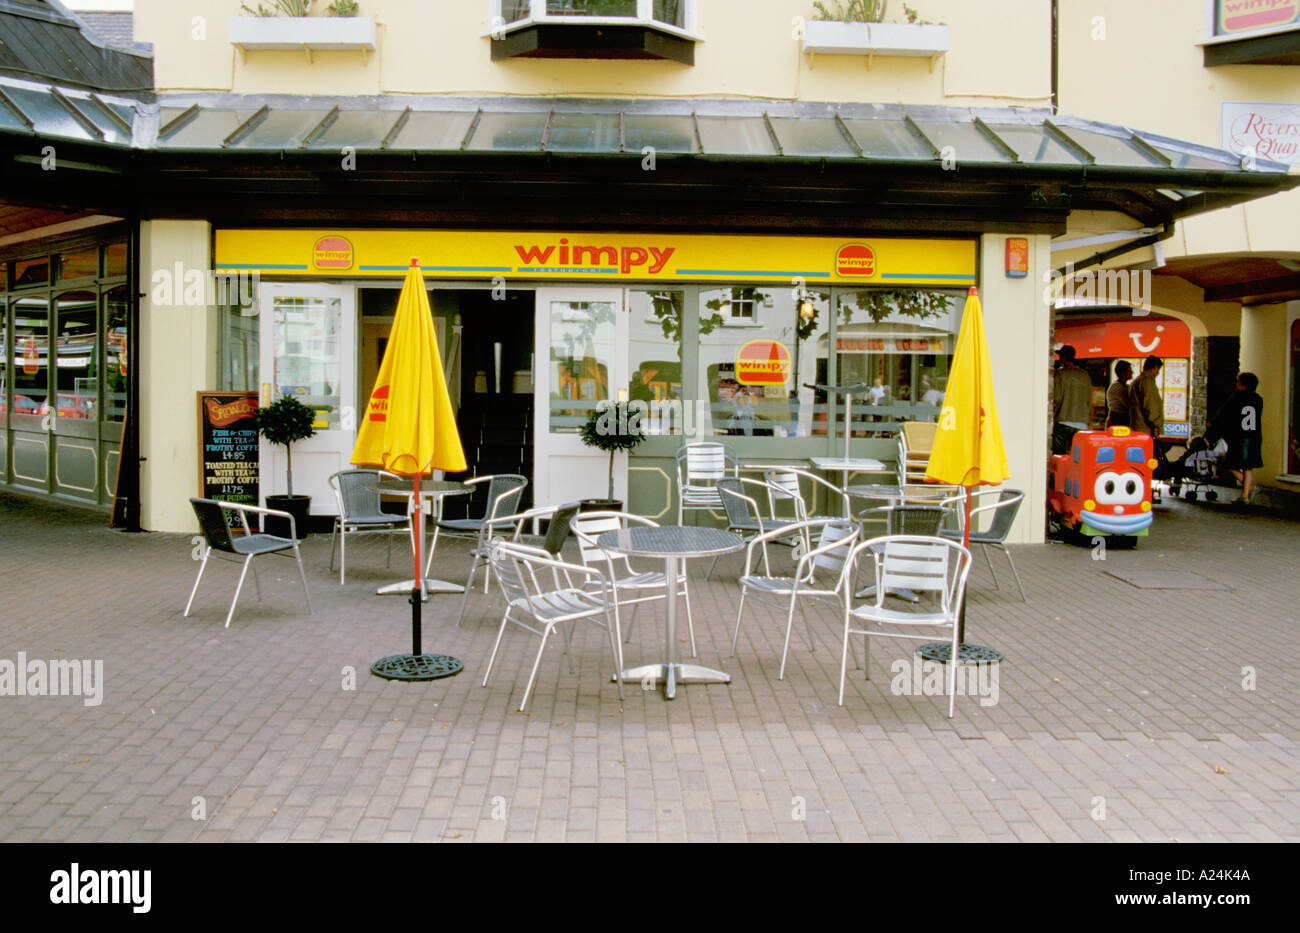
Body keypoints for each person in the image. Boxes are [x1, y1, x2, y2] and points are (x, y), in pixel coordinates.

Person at [1209, 371, 1263, 506]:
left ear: (1244, 385)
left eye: (1238, 382)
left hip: (1240, 436)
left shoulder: (1237, 397)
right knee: (1248, 467)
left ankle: (1250, 488)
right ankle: (1244, 496)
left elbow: (1225, 413)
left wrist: (1213, 423)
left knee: (1229, 465)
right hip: (1254, 436)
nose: (1236, 385)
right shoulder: (1258, 399)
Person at [1052, 344, 1093, 454]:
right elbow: (1089, 400)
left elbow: (1056, 398)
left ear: (1064, 358)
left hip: (1063, 420)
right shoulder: (1085, 375)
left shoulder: (1059, 374)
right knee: (1078, 458)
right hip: (1082, 423)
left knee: (1059, 457)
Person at [1128, 355, 1164, 439]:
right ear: (1155, 368)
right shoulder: (1148, 382)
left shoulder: (1137, 381)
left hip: (1136, 427)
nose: (1158, 373)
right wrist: (1156, 425)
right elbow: (1150, 407)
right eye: (1158, 370)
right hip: (1145, 430)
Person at [1105, 360, 1132, 428]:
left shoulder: (1125, 386)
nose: (1132, 372)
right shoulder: (1117, 387)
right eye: (1129, 371)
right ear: (1123, 374)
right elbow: (1129, 404)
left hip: (1122, 421)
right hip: (1117, 422)